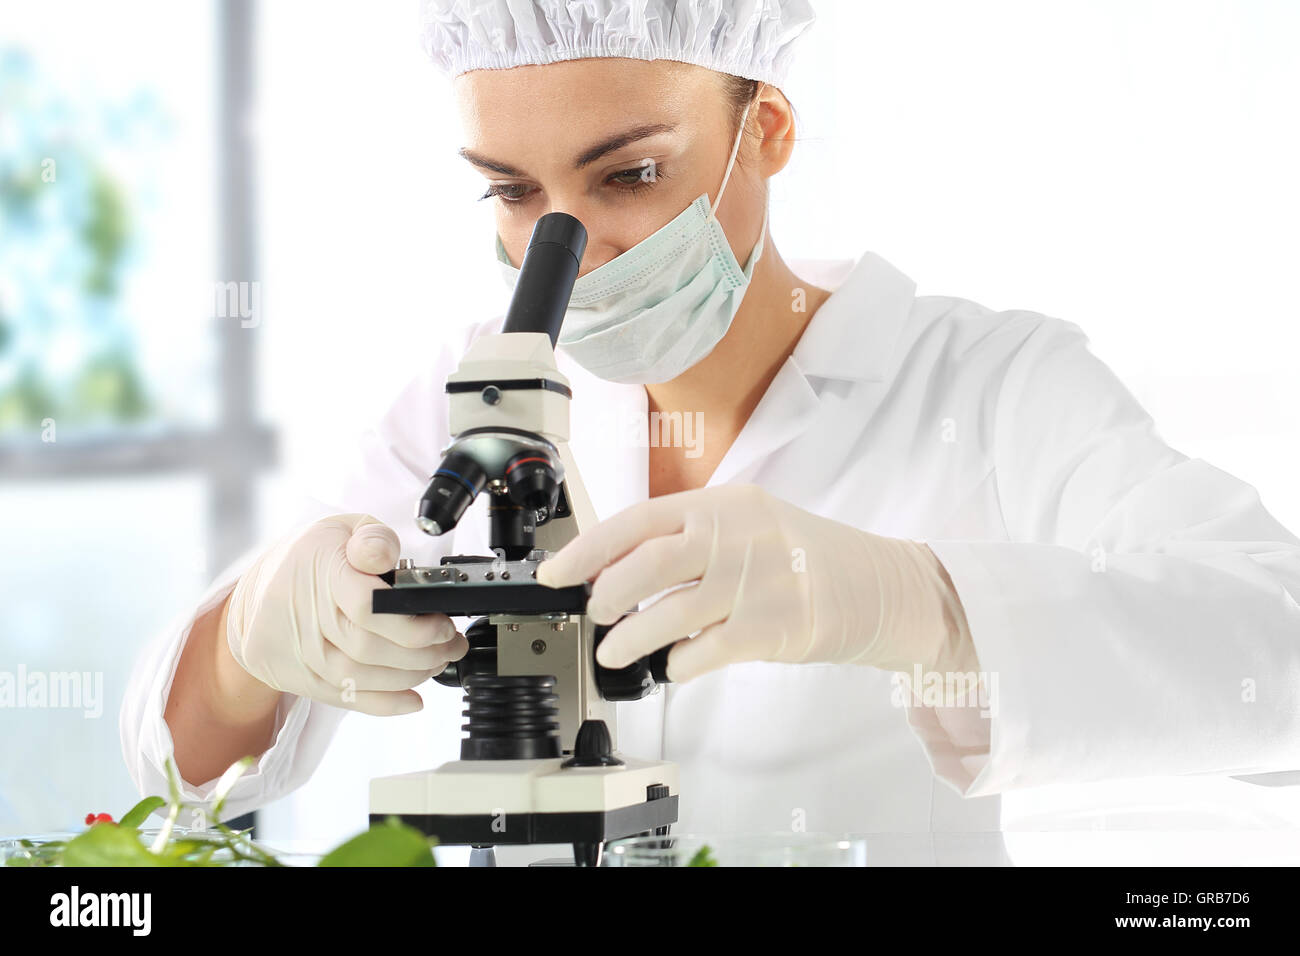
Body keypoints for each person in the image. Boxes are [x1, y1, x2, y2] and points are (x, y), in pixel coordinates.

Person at [121, 0, 1300, 842]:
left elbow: (1277, 661)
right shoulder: (465, 386)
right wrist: (253, 638)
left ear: (768, 131)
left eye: (627, 174)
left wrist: (916, 605)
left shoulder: (982, 381)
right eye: (512, 190)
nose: (560, 251)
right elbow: (181, 774)